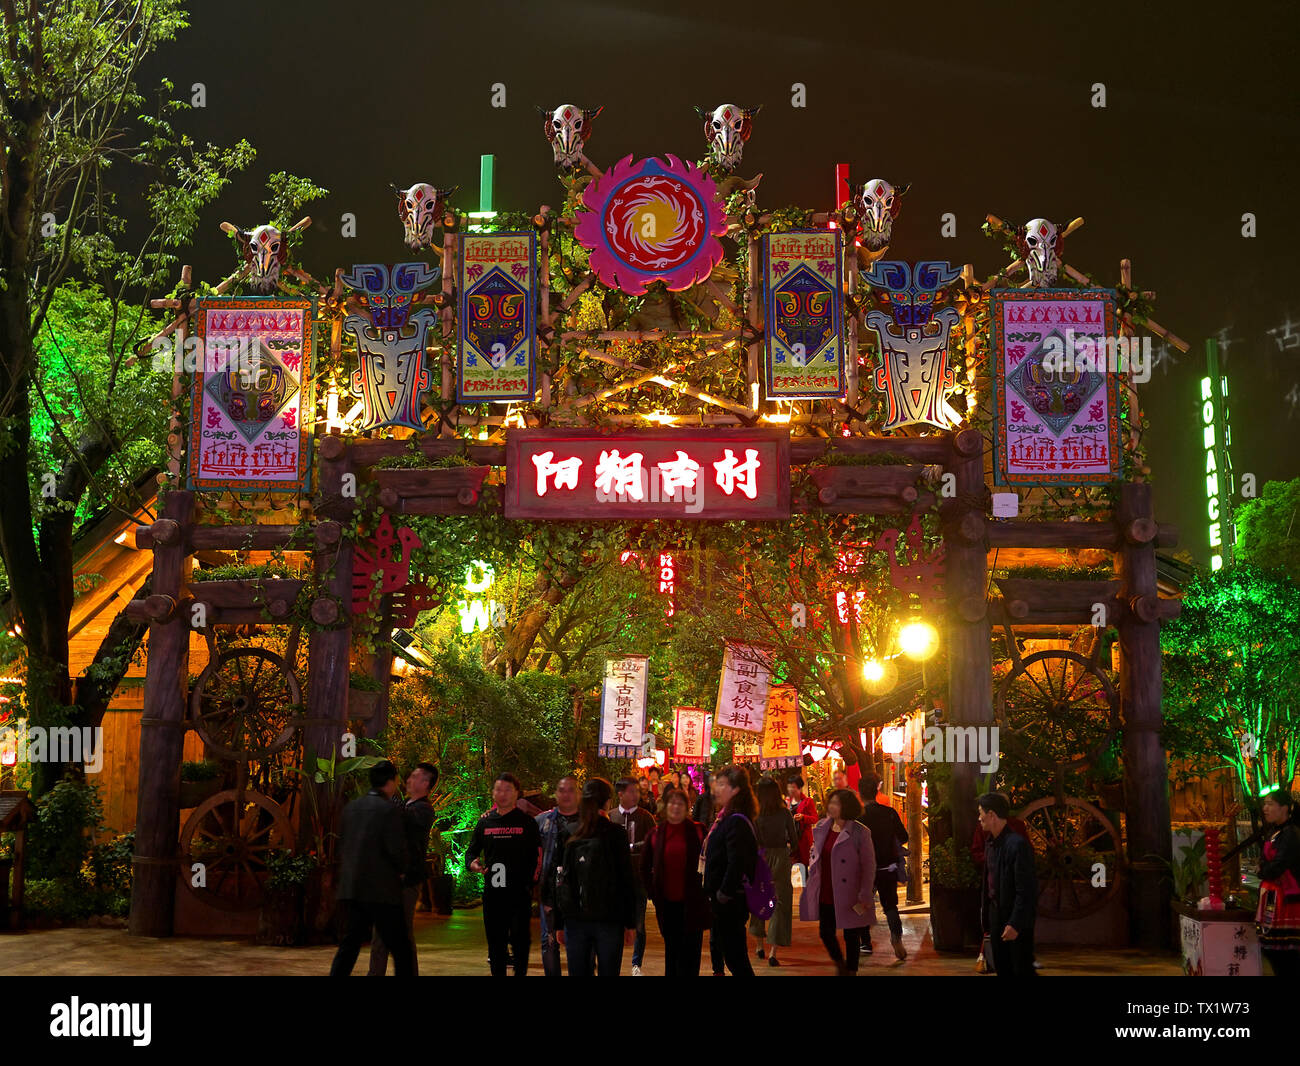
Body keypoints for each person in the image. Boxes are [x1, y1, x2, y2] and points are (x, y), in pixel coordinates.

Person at [329, 761, 415, 977]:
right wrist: (403, 870)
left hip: (352, 888)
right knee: (400, 948)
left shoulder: (351, 808)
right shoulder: (388, 810)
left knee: (349, 946)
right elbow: (396, 849)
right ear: (391, 781)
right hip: (382, 891)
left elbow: (344, 844)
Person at [553, 778, 638, 976]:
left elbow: (559, 879)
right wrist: (630, 923)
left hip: (575, 919)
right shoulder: (616, 833)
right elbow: (626, 879)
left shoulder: (569, 832)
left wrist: (558, 923)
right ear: (608, 802)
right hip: (610, 918)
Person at [467, 772, 542, 977]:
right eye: (498, 789)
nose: (502, 794)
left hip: (519, 894)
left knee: (520, 943)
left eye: (508, 790)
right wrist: (473, 864)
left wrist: (532, 884)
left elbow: (538, 855)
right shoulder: (485, 823)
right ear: (492, 793)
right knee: (496, 943)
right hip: (493, 893)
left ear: (518, 794)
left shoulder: (527, 823)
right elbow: (472, 851)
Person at [367, 762, 438, 976]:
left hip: (406, 881)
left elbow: (408, 823)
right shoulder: (406, 804)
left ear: (425, 783)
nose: (408, 780)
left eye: (414, 777)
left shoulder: (424, 809)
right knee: (380, 934)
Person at [799, 788, 875, 975]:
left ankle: (851, 971)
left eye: (836, 803)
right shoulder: (822, 828)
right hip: (826, 889)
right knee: (825, 932)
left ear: (846, 807)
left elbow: (869, 865)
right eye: (830, 802)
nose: (832, 807)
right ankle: (840, 964)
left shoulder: (860, 832)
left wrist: (865, 893)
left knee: (851, 935)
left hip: (849, 891)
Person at [642, 787, 709, 976]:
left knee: (692, 953)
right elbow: (644, 866)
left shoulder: (698, 830)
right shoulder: (656, 833)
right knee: (672, 952)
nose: (676, 807)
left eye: (680, 803)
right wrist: (652, 892)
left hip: (693, 902)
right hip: (667, 904)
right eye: (672, 803)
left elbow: (710, 861)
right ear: (666, 806)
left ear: (687, 807)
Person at [702, 765, 759, 976]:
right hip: (725, 901)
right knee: (732, 956)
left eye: (722, 784)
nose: (716, 788)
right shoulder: (726, 818)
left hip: (731, 901)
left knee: (736, 959)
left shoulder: (736, 821)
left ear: (735, 790)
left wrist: (723, 893)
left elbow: (736, 862)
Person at [977, 792, 1037, 978]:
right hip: (997, 915)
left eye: (981, 813)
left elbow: (1026, 889)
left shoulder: (1017, 845)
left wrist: (1015, 923)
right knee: (1002, 967)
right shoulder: (991, 844)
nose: (979, 818)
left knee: (1021, 968)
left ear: (992, 815)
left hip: (1013, 917)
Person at [857, 772, 909, 961]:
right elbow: (904, 837)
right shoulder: (889, 813)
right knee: (890, 906)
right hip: (888, 867)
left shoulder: (856, 817)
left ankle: (865, 943)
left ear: (860, 793)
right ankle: (896, 938)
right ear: (877, 790)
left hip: (864, 870)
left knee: (861, 905)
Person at [749, 777, 799, 966]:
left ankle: (759, 946)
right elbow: (794, 840)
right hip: (780, 857)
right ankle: (773, 952)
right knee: (780, 903)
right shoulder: (784, 813)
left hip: (759, 858)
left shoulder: (754, 814)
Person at [609, 776, 657, 974]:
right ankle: (613, 960)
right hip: (615, 880)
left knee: (639, 923)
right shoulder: (610, 816)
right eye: (631, 791)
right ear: (620, 794)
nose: (636, 795)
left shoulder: (645, 817)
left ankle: (636, 964)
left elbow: (653, 842)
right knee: (614, 923)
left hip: (638, 879)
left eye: (637, 791)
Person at [536, 774, 581, 977]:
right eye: (562, 790)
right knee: (549, 941)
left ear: (579, 794)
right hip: (550, 890)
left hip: (580, 892)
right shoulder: (543, 821)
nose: (566, 794)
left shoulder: (588, 822)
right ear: (555, 794)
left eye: (571, 789)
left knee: (580, 941)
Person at [1256, 787, 1300, 977]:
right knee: (1271, 949)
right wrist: (1264, 869)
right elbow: (1264, 862)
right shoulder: (1274, 832)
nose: (1265, 808)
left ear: (1285, 808)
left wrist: (1263, 871)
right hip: (1272, 897)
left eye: (1270, 804)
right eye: (1265, 804)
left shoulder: (1291, 833)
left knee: (1283, 951)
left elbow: (1277, 866)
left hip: (1286, 900)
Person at [786, 775, 817, 868]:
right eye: (789, 786)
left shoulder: (808, 801)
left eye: (793, 787)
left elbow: (815, 818)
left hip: (804, 839)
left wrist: (803, 817)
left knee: (805, 866)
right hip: (791, 840)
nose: (791, 789)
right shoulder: (786, 802)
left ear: (799, 788)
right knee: (794, 867)